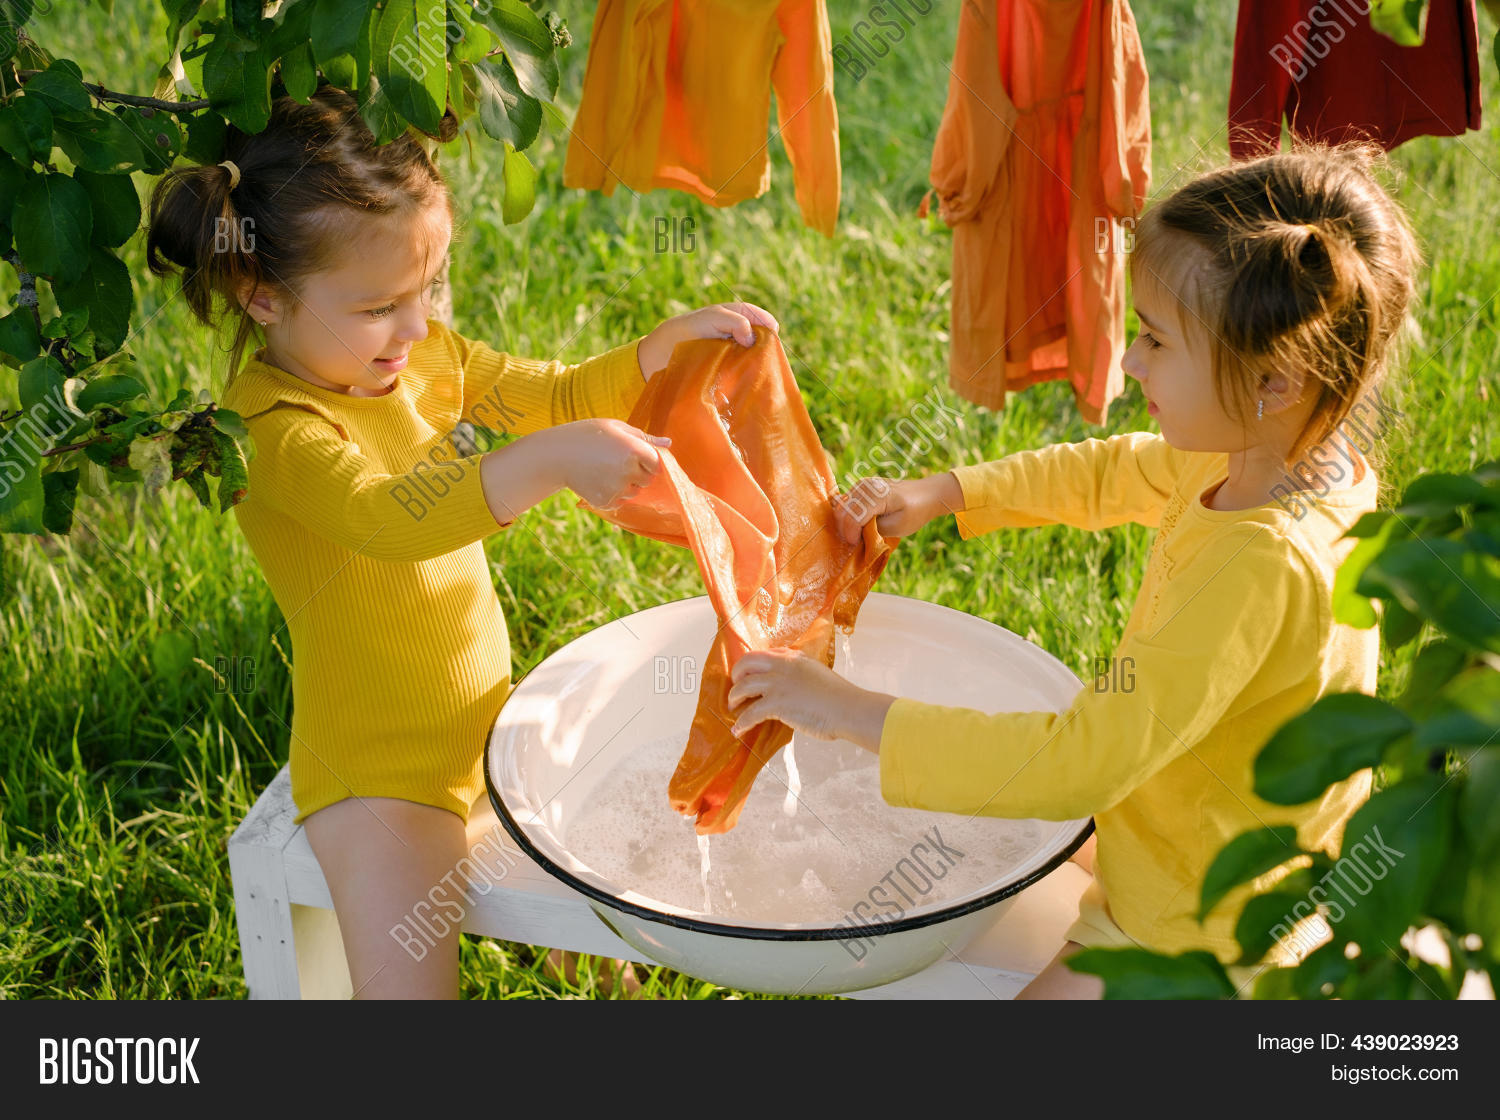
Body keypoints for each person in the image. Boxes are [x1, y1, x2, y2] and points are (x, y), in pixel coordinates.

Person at [725, 142, 1422, 998]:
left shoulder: (1261, 565)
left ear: (1274, 378)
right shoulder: (1281, 454)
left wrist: (844, 711)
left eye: (1158, 341)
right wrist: (950, 492)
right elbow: (1113, 472)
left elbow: (1082, 765)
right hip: (1202, 837)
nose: (1129, 361)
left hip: (1194, 928)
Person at [146, 84, 778, 999]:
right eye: (375, 308)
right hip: (381, 780)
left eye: (423, 291)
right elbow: (385, 517)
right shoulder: (270, 427)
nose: (413, 327)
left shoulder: (421, 357)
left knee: (619, 910)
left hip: (492, 723)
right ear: (262, 298)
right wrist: (550, 464)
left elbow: (554, 396)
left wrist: (657, 352)